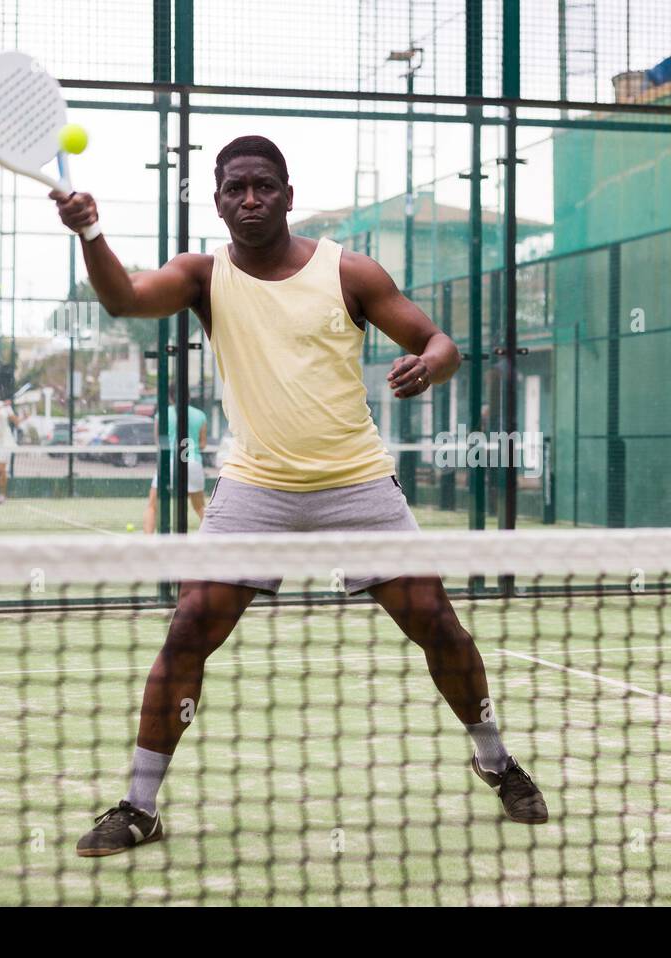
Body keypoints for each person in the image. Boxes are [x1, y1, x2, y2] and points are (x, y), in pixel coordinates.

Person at [53, 135, 548, 857]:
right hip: (256, 484)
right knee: (189, 626)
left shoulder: (348, 271)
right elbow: (125, 300)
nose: (249, 199)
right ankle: (139, 804)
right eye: (234, 189)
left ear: (287, 192)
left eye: (262, 186)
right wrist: (91, 233)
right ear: (217, 200)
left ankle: (496, 760)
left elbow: (439, 340)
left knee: (437, 623)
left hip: (356, 482)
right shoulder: (202, 274)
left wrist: (430, 365)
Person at [145, 382, 208, 534]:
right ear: (188, 395)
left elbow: (159, 441)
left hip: (168, 463)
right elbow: (203, 444)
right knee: (200, 507)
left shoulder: (162, 415)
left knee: (153, 506)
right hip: (193, 463)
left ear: (170, 397)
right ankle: (211, 539)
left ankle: (146, 543)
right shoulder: (200, 415)